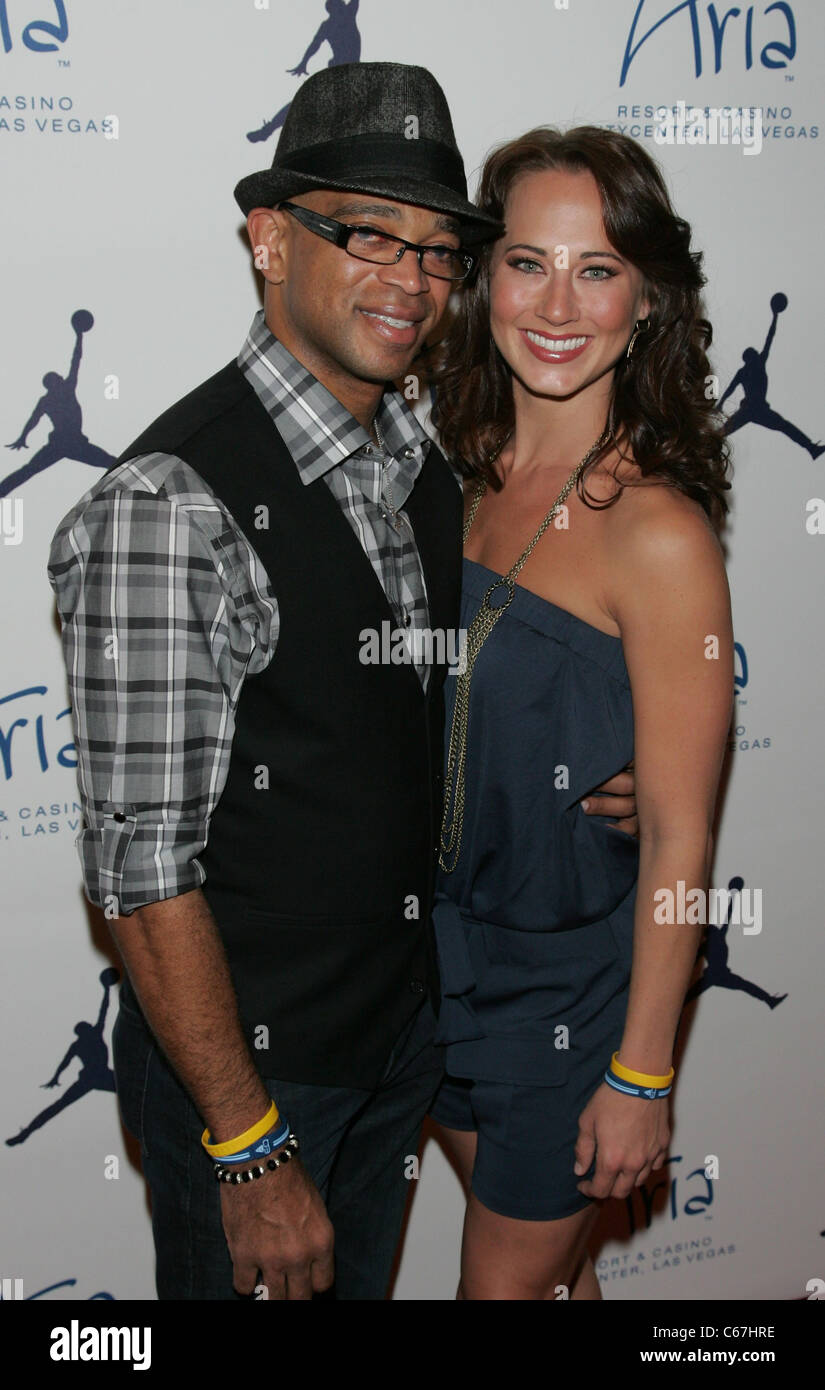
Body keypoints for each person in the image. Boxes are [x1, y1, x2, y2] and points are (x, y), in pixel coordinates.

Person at [47, 66, 636, 1302]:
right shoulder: (169, 508)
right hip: (261, 1092)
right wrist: (250, 1147)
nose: (412, 280)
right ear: (269, 239)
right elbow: (143, 874)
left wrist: (592, 776)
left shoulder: (417, 467)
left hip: (403, 1043)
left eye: (435, 249)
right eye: (365, 232)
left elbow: (409, 723)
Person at [428, 126, 733, 1301]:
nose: (559, 303)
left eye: (597, 270)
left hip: (569, 997)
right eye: (526, 263)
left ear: (645, 299)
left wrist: (644, 1071)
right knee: (559, 1285)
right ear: (480, 278)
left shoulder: (656, 533)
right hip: (433, 967)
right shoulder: (449, 471)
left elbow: (679, 834)